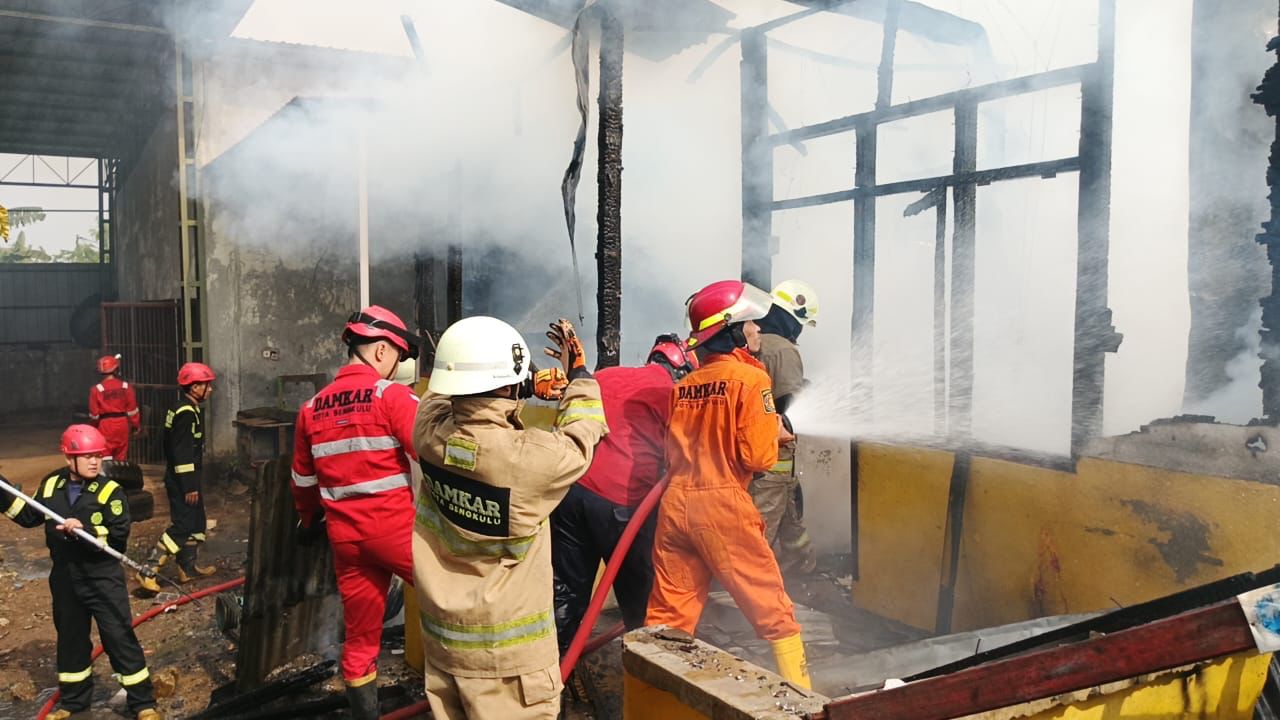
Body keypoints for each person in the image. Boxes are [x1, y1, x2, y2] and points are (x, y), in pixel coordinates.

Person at [412, 316, 608, 720]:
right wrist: (580, 377)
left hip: (446, 649)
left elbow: (439, 393)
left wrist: (516, 389)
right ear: (507, 385)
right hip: (508, 667)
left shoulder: (428, 434)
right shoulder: (530, 461)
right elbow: (583, 430)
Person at [644, 280, 811, 689]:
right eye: (751, 324)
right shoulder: (751, 381)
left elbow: (679, 447)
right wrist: (773, 431)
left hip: (676, 506)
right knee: (774, 610)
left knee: (669, 617)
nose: (757, 330)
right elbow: (757, 457)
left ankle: (656, 703)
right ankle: (805, 700)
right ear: (732, 330)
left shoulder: (683, 386)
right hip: (722, 506)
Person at [291, 306, 422, 719]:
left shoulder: (311, 409)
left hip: (346, 541)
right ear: (382, 351)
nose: (396, 369)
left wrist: (308, 519)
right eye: (398, 359)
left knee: (362, 640)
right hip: (397, 534)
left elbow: (303, 482)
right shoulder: (390, 396)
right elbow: (434, 453)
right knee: (456, 607)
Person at [551, 334, 697, 656]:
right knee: (642, 599)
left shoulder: (605, 375)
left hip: (569, 494)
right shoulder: (673, 393)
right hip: (622, 505)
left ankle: (552, 681)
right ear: (683, 368)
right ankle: (648, 674)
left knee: (565, 594)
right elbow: (682, 458)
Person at [0, 425, 161, 720]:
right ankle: (74, 703)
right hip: (65, 577)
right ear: (68, 459)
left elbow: (117, 538)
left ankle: (143, 703)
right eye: (85, 456)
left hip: (101, 576)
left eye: (97, 456)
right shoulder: (51, 486)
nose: (94, 462)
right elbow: (26, 515)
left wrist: (85, 530)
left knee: (118, 636)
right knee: (71, 640)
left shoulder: (111, 491)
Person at [750, 279, 821, 574]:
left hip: (755, 454)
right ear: (793, 320)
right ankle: (751, 595)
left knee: (792, 521)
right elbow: (788, 403)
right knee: (759, 532)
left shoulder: (750, 342)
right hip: (774, 460)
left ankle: (801, 567)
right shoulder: (784, 351)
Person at [138, 362, 216, 593]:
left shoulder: (183, 408)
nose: (210, 390)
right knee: (182, 525)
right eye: (206, 385)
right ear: (193, 388)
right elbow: (182, 452)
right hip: (183, 480)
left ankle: (187, 568)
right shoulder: (185, 414)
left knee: (197, 523)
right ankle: (148, 570)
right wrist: (189, 486)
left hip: (186, 478)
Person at [89, 354, 141, 461]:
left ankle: (107, 476)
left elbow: (94, 415)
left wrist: (94, 428)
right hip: (122, 424)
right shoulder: (126, 387)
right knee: (120, 457)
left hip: (105, 426)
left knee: (105, 457)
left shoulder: (96, 389)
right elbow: (132, 410)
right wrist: (136, 425)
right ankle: (119, 476)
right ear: (116, 369)